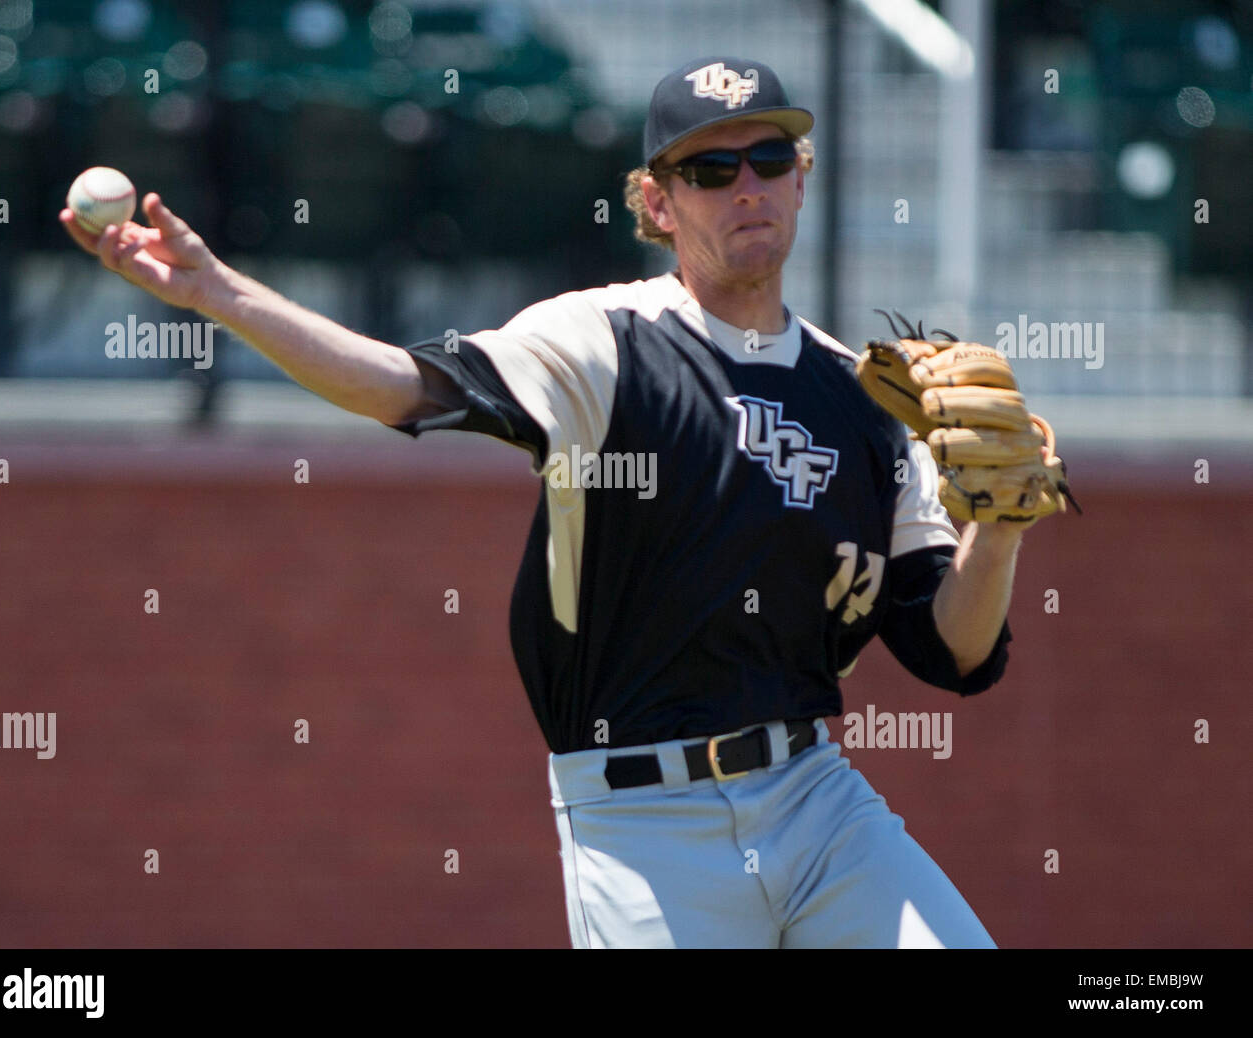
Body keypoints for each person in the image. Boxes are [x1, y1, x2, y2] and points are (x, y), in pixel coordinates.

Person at [61, 56, 1020, 949]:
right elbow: (402, 386)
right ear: (657, 202)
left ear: (802, 178)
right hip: (643, 827)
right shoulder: (603, 342)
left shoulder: (867, 400)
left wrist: (1002, 531)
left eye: (770, 157)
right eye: (710, 167)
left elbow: (952, 651)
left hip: (819, 802)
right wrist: (222, 293)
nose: (747, 185)